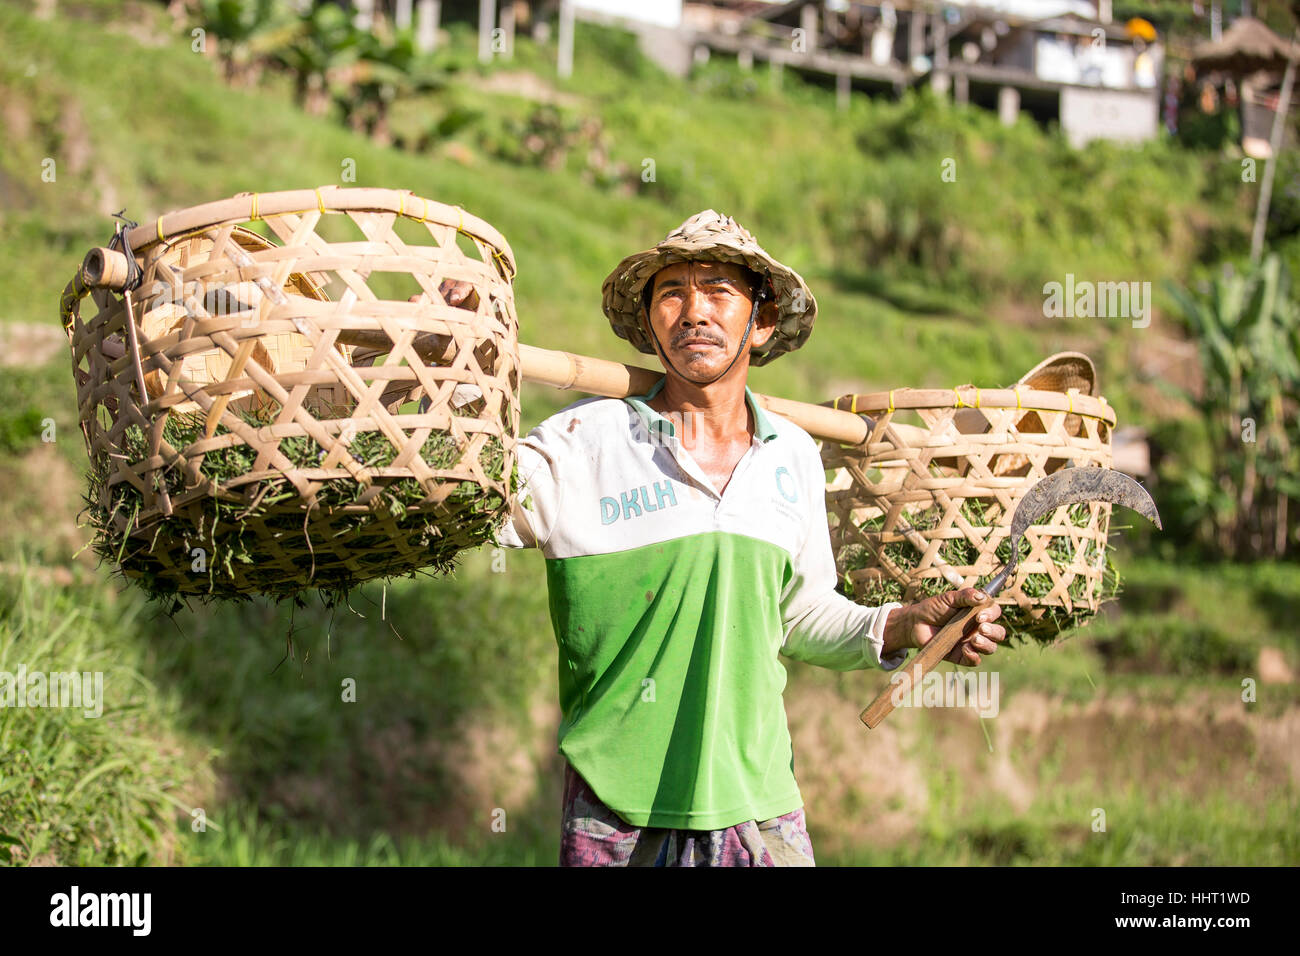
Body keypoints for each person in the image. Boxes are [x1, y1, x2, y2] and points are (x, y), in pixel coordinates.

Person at [480, 210, 1007, 866]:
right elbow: (462, 490)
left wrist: (903, 626)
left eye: (719, 292)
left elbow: (802, 615)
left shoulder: (791, 455)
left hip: (759, 805)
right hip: (619, 806)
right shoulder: (583, 445)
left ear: (760, 323)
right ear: (650, 325)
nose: (693, 311)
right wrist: (468, 363)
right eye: (672, 293)